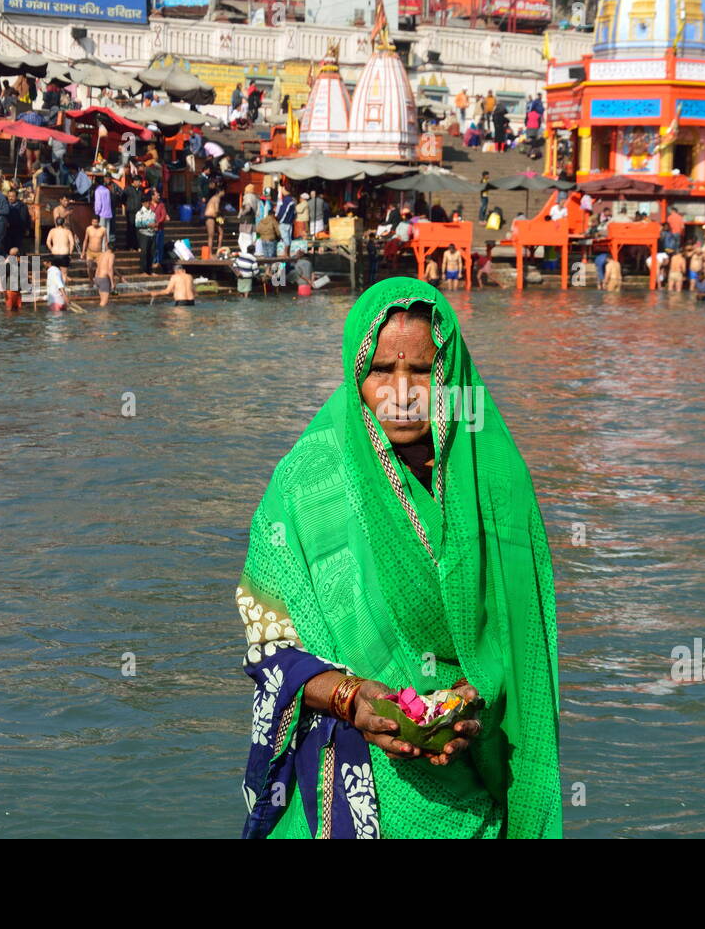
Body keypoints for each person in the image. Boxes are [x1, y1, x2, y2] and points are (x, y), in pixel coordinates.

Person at [236, 280, 561, 840]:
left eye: (424, 370)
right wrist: (351, 697)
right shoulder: (308, 481)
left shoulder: (495, 483)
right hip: (345, 786)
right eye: (382, 369)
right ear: (354, 373)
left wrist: (466, 702)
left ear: (451, 374)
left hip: (470, 786)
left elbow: (524, 642)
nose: (403, 392)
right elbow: (268, 640)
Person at [135, 198, 159, 275]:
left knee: (151, 252)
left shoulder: (152, 213)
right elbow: (137, 224)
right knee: (144, 253)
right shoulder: (140, 213)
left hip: (152, 234)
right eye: (146, 202)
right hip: (144, 234)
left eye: (149, 202)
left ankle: (150, 270)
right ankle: (143, 270)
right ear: (143, 203)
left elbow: (155, 221)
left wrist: (155, 226)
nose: (148, 204)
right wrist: (148, 225)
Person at [83, 215, 107, 279]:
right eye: (93, 222)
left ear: (99, 222)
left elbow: (106, 242)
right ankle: (90, 281)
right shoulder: (88, 229)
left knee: (100, 268)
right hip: (90, 251)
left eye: (96, 222)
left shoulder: (103, 229)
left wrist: (106, 252)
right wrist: (83, 252)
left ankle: (97, 280)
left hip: (99, 252)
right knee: (89, 266)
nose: (94, 223)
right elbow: (85, 240)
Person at [94, 240, 117, 306]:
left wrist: (119, 275)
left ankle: (100, 316)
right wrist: (112, 283)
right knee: (104, 302)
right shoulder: (111, 255)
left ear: (107, 247)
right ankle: (102, 316)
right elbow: (110, 269)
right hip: (104, 279)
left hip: (97, 278)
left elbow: (97, 264)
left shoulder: (101, 254)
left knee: (102, 301)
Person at [93, 175, 113, 243]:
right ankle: (106, 248)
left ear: (96, 182)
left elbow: (98, 203)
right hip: (108, 213)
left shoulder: (98, 190)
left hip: (102, 214)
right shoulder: (107, 190)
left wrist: (96, 212)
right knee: (106, 232)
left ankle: (102, 249)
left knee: (101, 232)